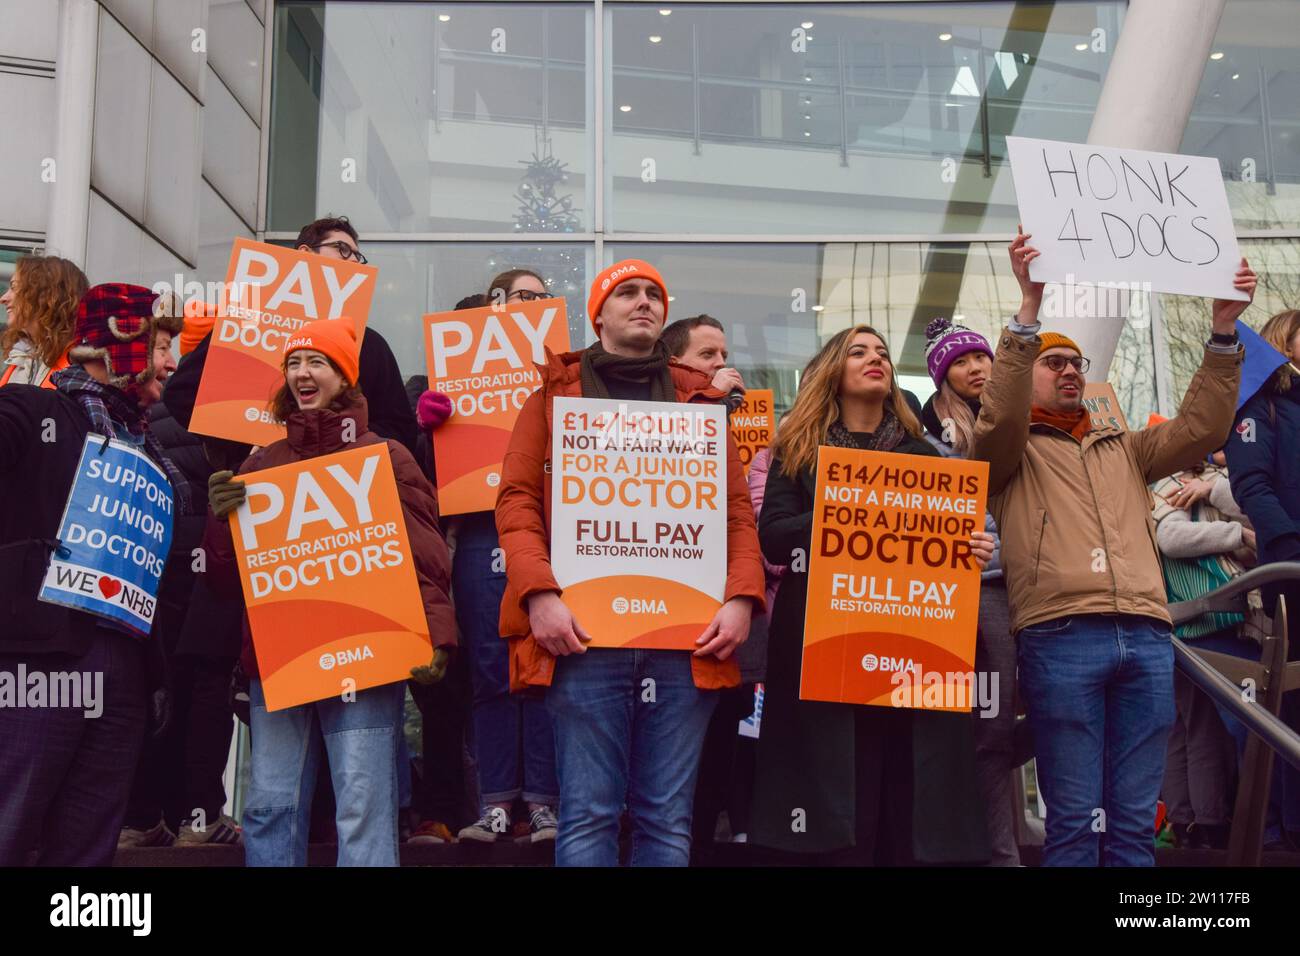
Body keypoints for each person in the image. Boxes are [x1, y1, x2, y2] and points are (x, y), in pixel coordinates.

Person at [973, 228, 1253, 866]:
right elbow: (998, 420)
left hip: (1149, 636)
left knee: (1131, 828)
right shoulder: (1009, 453)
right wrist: (1027, 314)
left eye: (1077, 364)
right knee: (1073, 825)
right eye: (1054, 362)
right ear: (1027, 375)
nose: (1071, 370)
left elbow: (1203, 428)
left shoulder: (1127, 448)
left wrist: (1221, 332)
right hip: (1061, 635)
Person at [495, 259, 766, 867]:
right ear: (598, 312)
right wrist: (539, 594)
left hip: (686, 640)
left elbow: (734, 514)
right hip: (584, 638)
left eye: (654, 294)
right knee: (588, 815)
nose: (644, 302)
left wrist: (741, 599)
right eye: (627, 293)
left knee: (667, 820)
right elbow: (515, 501)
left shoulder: (700, 401)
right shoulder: (549, 396)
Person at [203, 318, 456, 866]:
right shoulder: (260, 463)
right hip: (281, 660)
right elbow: (228, 582)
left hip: (364, 656)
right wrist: (220, 522)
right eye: (293, 363)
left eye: (316, 361)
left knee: (363, 802)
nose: (302, 373)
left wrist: (435, 637)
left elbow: (426, 558)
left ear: (345, 376)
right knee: (271, 805)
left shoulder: (387, 457)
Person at [749, 325, 995, 864]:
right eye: (858, 351)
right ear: (832, 371)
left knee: (903, 777)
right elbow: (774, 534)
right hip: (821, 640)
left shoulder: (925, 460)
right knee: (832, 783)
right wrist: (856, 507)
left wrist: (970, 550)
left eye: (882, 352)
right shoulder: (797, 449)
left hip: (905, 644)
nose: (875, 359)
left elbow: (948, 544)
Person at [0, 283, 184, 865]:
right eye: (159, 348)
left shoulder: (151, 448)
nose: (171, 363)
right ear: (116, 347)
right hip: (35, 664)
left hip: (123, 672)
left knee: (87, 852)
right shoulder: (31, 409)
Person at [418, 274, 562, 845]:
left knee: (546, 669)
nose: (529, 306)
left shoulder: (564, 375)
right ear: (494, 303)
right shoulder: (457, 368)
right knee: (491, 672)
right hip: (480, 532)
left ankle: (546, 804)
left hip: (549, 537)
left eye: (539, 297)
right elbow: (418, 481)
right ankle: (497, 803)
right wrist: (433, 429)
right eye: (519, 296)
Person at [119, 305, 244, 849]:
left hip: (166, 564)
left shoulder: (158, 413)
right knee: (209, 687)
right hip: (211, 561)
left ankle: (150, 814)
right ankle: (197, 813)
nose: (167, 365)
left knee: (169, 688)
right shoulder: (234, 412)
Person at [162, 216, 418, 457]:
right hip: (255, 484)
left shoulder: (369, 344)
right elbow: (182, 395)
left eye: (358, 256)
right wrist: (243, 450)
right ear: (306, 254)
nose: (353, 261)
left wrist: (344, 442)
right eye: (342, 249)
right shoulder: (248, 324)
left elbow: (399, 429)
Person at [919, 317, 1020, 866]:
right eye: (961, 361)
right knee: (978, 731)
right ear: (942, 376)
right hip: (969, 596)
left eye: (981, 356)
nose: (976, 367)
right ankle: (987, 853)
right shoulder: (931, 442)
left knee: (1017, 728)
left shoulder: (1019, 421)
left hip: (1026, 592)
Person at [1152, 450, 1255, 850]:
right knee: (1205, 726)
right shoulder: (1167, 483)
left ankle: (1191, 826)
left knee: (1192, 727)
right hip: (1200, 621)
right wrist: (1236, 537)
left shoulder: (1211, 481)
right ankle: (1206, 824)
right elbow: (1170, 538)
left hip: (1184, 622)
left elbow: (1252, 509)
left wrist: (1213, 489)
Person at [1225, 307, 1300, 848]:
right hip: (1292, 577)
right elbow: (1253, 486)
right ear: (1282, 344)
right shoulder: (1260, 406)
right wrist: (1292, 550)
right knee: (1291, 705)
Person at [1, 254, 88, 387]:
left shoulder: (81, 366)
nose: (3, 299)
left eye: (14, 287)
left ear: (47, 295)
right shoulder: (20, 359)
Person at [662, 314, 746, 398]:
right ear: (674, 363)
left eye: (724, 356)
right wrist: (715, 393)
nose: (722, 363)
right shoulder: (657, 403)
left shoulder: (729, 401)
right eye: (708, 354)